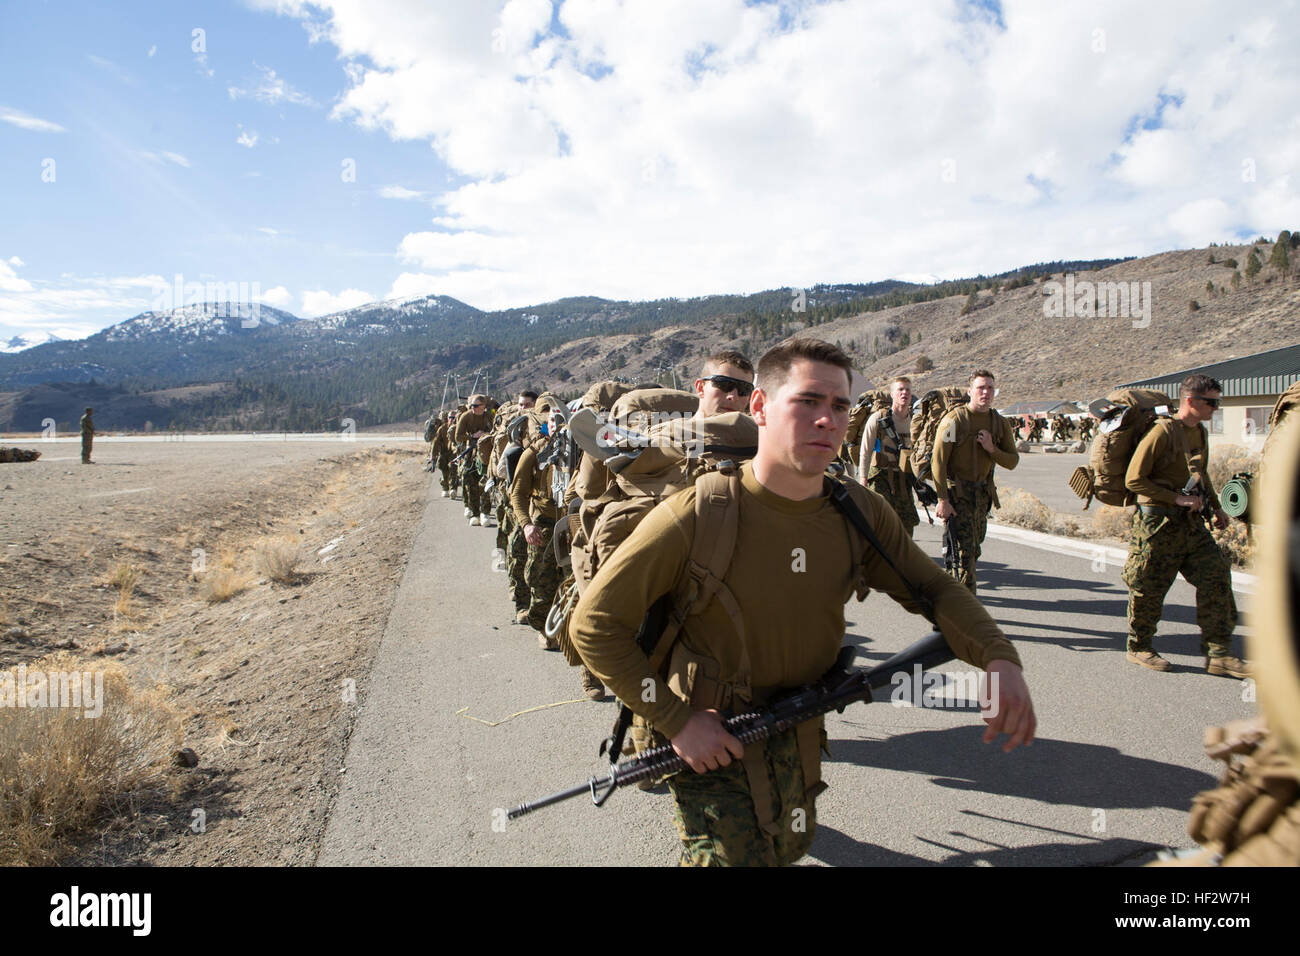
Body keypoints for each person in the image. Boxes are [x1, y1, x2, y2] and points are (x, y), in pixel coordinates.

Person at [569, 340, 1035, 866]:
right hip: (711, 723)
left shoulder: (857, 510)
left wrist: (997, 655)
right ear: (761, 408)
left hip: (798, 721)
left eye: (839, 406)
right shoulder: (698, 513)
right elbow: (594, 626)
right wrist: (676, 720)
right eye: (808, 402)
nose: (827, 421)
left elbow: (935, 588)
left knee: (789, 843)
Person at [1122, 374, 1249, 678]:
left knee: (1216, 574)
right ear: (1190, 401)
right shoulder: (1162, 433)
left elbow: (1200, 474)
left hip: (1191, 524)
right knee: (1149, 588)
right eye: (1212, 402)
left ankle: (1219, 653)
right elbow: (1133, 480)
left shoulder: (1200, 433)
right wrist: (1175, 499)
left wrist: (1217, 507)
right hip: (1157, 524)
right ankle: (1140, 646)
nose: (1216, 408)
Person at [931, 370, 1018, 594]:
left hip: (982, 497)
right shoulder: (954, 420)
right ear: (970, 391)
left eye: (990, 388)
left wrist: (992, 449)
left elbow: (1012, 461)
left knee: (972, 551)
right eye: (981, 388)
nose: (986, 392)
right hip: (958, 497)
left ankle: (948, 599)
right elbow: (938, 461)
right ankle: (968, 615)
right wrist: (942, 499)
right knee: (965, 556)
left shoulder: (999, 423)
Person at [509, 395, 564, 646]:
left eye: (561, 419)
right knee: (542, 581)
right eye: (551, 420)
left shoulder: (579, 448)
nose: (556, 424)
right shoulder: (534, 452)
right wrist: (526, 524)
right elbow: (517, 493)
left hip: (572, 523)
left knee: (570, 580)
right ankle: (544, 629)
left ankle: (566, 629)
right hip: (544, 522)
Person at [857, 376, 918, 538]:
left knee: (906, 527)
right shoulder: (878, 418)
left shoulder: (914, 422)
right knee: (881, 523)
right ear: (892, 394)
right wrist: (863, 479)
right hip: (880, 477)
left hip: (904, 479)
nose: (904, 393)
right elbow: (865, 450)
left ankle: (902, 560)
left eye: (908, 390)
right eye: (900, 389)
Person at [454, 395, 493, 526]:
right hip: (470, 454)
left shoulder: (489, 417)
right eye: (471, 406)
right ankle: (475, 513)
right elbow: (458, 436)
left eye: (476, 406)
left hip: (486, 454)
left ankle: (485, 513)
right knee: (471, 484)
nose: (473, 408)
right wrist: (472, 436)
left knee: (486, 484)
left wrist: (486, 435)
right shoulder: (466, 417)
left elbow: (497, 431)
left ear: (483, 406)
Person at [693, 350, 755, 418]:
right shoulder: (681, 428)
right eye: (724, 385)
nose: (733, 396)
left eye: (744, 389)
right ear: (700, 388)